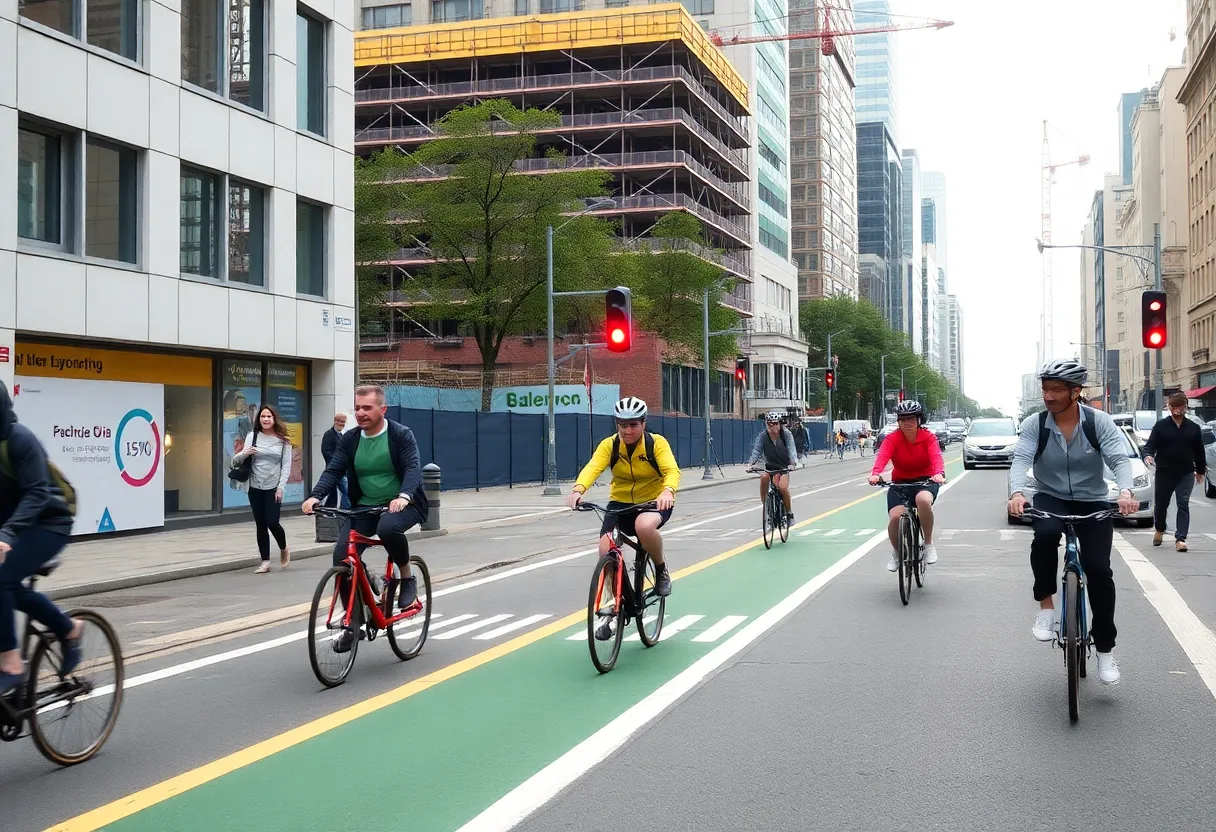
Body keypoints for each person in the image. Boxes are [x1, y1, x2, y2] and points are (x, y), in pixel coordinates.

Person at [1008, 359, 1138, 686]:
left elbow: (1119, 459)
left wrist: (1124, 491)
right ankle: (1047, 608)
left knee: (1098, 571)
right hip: (1050, 495)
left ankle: (1105, 652)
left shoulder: (1099, 423)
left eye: (1056, 390)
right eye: (1045, 389)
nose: (1048, 396)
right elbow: (1021, 459)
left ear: (1075, 392)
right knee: (1045, 536)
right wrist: (1017, 493)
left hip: (1092, 499)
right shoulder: (1035, 424)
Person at [302, 385, 428, 650]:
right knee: (342, 557)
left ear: (382, 410)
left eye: (367, 408)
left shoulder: (400, 435)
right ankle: (353, 623)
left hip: (402, 505)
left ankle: (406, 577)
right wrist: (315, 496)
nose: (360, 413)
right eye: (357, 408)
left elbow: (412, 468)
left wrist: (404, 495)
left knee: (387, 528)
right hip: (364, 508)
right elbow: (334, 469)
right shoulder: (350, 439)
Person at [0, 380, 83, 695]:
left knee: (2, 580)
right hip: (10, 526)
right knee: (6, 587)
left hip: (49, 523)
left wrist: (7, 534)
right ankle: (67, 628)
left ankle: (11, 660)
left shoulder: (20, 441)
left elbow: (35, 494)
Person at [566, 397, 680, 617]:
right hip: (619, 503)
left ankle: (660, 569)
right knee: (605, 549)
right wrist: (578, 490)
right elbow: (593, 467)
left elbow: (671, 470)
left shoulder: (656, 443)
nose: (628, 431)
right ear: (617, 424)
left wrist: (668, 491)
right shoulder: (610, 445)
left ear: (643, 423)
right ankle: (612, 602)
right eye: (622, 425)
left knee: (644, 526)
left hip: (654, 501)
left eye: (633, 425)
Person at [867, 400, 946, 573]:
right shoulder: (892, 438)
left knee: (923, 500)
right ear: (898, 421)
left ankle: (928, 544)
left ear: (919, 419)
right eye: (903, 419)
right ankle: (897, 552)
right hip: (900, 483)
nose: (907, 423)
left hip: (926, 481)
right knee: (895, 517)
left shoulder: (928, 437)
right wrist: (875, 473)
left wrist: (938, 473)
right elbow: (883, 456)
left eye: (911, 419)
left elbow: (936, 457)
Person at [230, 404, 294, 574]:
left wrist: (281, 487)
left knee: (273, 522)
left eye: (269, 416)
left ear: (274, 419)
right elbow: (236, 461)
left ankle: (284, 547)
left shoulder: (283, 442)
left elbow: (286, 467)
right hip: (255, 486)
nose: (266, 419)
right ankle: (265, 561)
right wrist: (244, 453)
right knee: (261, 524)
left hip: (273, 487)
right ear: (259, 419)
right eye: (263, 417)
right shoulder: (253, 436)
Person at [1143, 392, 1206, 552]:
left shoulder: (1193, 428)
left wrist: (1200, 471)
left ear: (1186, 407)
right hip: (1165, 472)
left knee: (1183, 504)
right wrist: (1148, 456)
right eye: (1174, 406)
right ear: (1169, 407)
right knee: (1161, 505)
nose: (1178, 410)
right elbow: (1150, 445)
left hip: (1185, 472)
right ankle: (1160, 529)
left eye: (1181, 406)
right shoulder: (1161, 426)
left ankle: (1180, 538)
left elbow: (1199, 451)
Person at [747, 411, 797, 524]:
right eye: (769, 423)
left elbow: (791, 449)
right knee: (763, 477)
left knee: (782, 488)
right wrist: (751, 464)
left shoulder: (786, 434)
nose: (772, 426)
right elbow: (756, 451)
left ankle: (789, 513)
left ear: (779, 424)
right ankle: (766, 505)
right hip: (769, 466)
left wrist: (792, 463)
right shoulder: (763, 436)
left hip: (784, 466)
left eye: (775, 423)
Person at [320, 413, 351, 510]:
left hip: (342, 470)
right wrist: (338, 462)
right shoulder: (328, 435)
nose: (341, 424)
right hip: (335, 469)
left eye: (343, 422)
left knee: (332, 492)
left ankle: (329, 510)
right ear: (335, 421)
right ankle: (344, 513)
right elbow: (326, 451)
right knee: (347, 491)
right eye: (339, 421)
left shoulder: (342, 435)